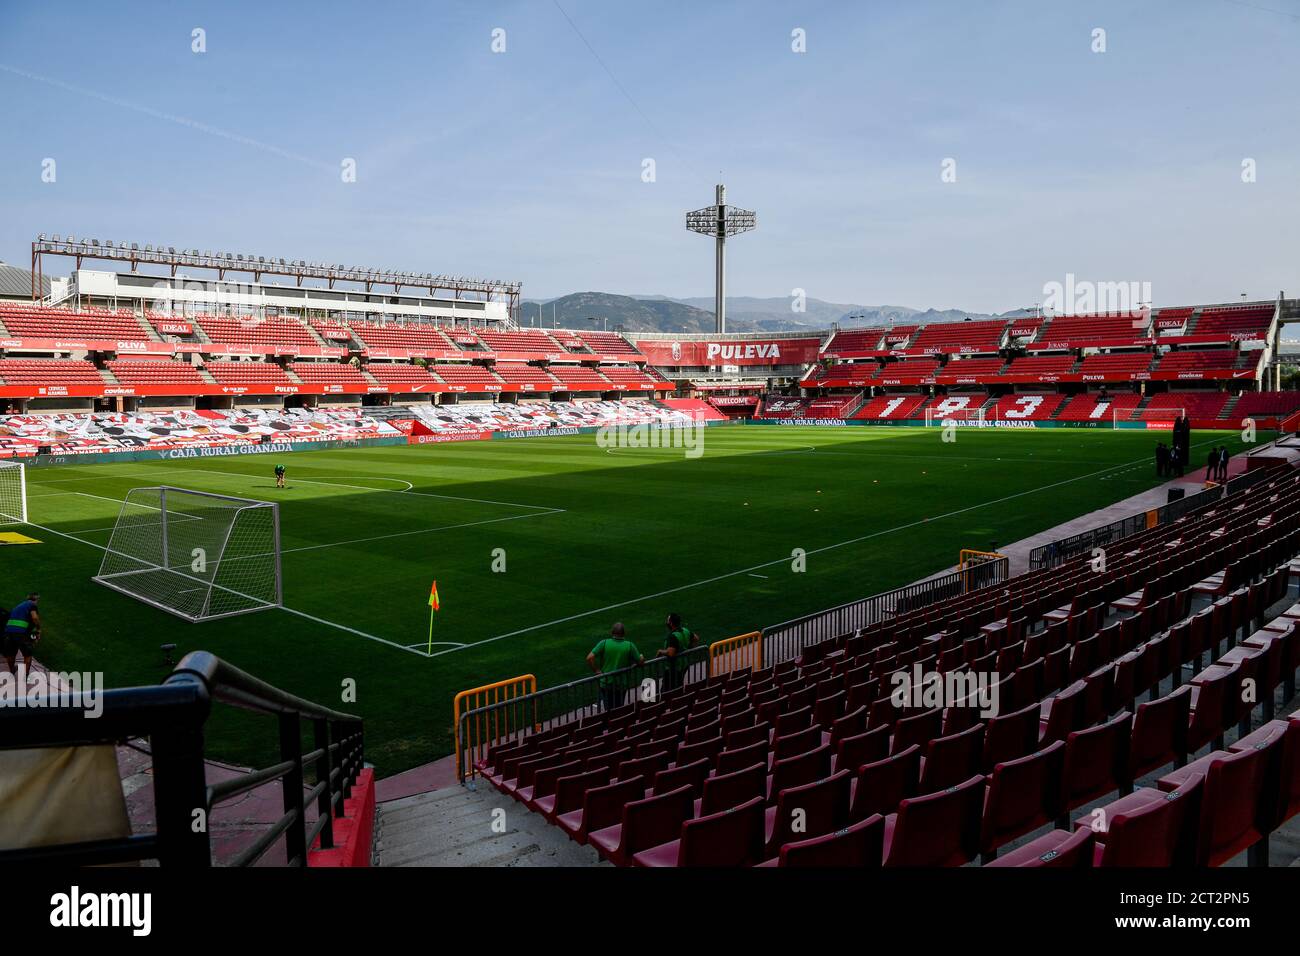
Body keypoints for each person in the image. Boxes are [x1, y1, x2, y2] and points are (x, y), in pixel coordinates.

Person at [587, 623, 643, 712]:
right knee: (619, 709)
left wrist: (597, 670)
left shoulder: (604, 643)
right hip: (621, 683)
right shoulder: (629, 645)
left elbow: (589, 657)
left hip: (606, 682)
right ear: (624, 633)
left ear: (612, 632)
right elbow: (640, 662)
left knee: (608, 709)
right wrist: (641, 657)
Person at [656, 613, 700, 691]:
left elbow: (671, 653)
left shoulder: (673, 636)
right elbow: (696, 638)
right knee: (678, 686)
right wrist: (689, 647)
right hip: (684, 665)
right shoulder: (685, 630)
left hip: (674, 668)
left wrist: (660, 652)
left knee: (666, 691)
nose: (667, 623)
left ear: (671, 623)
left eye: (668, 621)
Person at [3, 593, 41, 676]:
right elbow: (34, 617)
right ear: (36, 600)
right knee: (27, 654)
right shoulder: (32, 605)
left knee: (11, 653)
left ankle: (12, 670)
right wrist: (38, 629)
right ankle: (25, 676)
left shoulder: (16, 607)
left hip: (8, 633)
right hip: (21, 633)